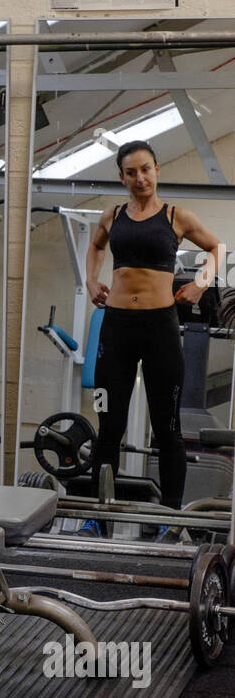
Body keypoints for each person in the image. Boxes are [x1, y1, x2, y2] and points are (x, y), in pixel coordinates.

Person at [85, 140, 222, 534]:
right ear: (122, 177)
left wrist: (199, 284)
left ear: (157, 169)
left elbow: (217, 247)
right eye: (131, 172)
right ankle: (99, 517)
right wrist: (92, 281)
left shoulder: (177, 216)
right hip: (117, 328)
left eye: (145, 169)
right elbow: (96, 248)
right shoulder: (111, 216)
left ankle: (170, 519)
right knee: (109, 424)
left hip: (160, 328)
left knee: (168, 427)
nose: (140, 178)